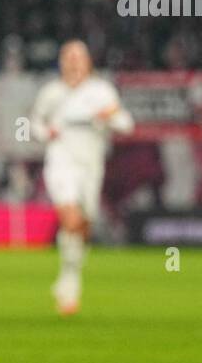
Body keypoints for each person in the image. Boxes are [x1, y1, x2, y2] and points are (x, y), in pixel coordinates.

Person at [31, 40, 134, 314]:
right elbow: (33, 124)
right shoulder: (51, 93)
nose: (74, 62)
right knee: (71, 218)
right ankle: (69, 281)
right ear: (62, 62)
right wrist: (43, 133)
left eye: (79, 57)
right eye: (69, 57)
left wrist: (110, 118)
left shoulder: (101, 92)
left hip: (91, 167)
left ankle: (70, 271)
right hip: (61, 163)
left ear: (88, 62)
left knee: (84, 226)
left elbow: (126, 124)